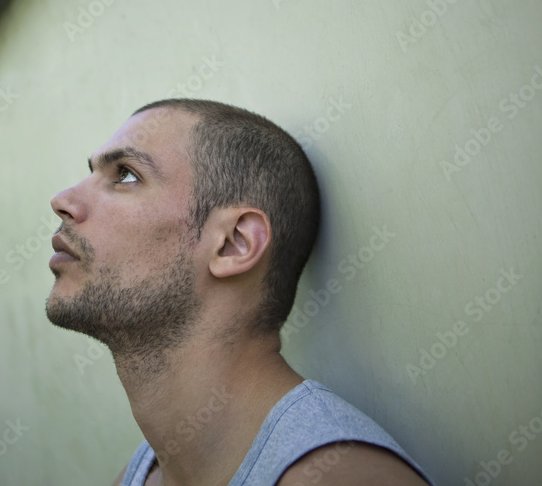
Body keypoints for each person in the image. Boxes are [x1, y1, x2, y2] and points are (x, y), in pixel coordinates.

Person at [46, 98, 435, 486]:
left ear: (234, 244)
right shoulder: (137, 478)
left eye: (126, 175)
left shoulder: (340, 477)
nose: (63, 201)